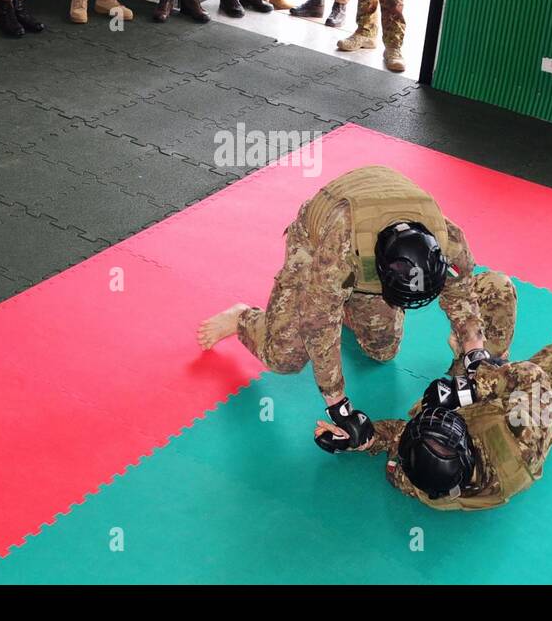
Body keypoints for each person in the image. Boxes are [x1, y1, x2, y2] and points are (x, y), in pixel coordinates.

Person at [197, 164, 493, 447]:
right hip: (316, 242)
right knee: (284, 357)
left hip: (370, 253)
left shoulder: (447, 240)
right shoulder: (337, 252)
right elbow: (318, 324)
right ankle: (242, 319)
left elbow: (462, 293)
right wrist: (338, 406)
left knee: (383, 351)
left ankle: (348, 304)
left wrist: (474, 351)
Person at [314, 293, 552, 511]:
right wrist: (477, 371)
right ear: (467, 444)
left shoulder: (413, 477)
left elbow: (400, 437)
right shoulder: (523, 443)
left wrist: (363, 439)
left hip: (478, 401)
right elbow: (530, 378)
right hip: (523, 404)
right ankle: (488, 361)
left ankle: (482, 363)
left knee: (490, 289)